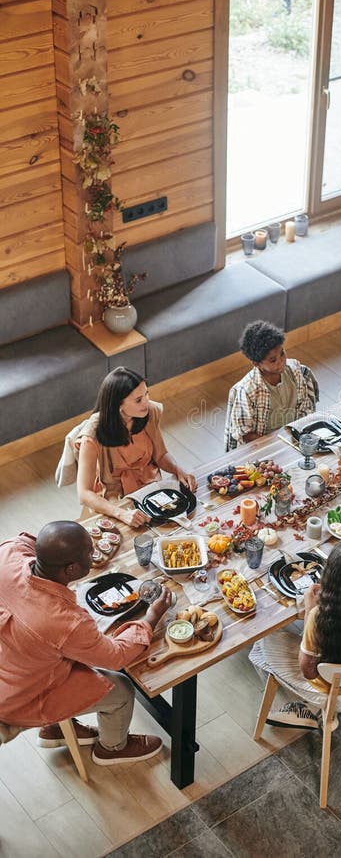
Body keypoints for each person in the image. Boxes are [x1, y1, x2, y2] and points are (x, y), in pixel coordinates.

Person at [0, 521, 172, 764]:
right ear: (70, 569)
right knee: (122, 688)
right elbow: (116, 656)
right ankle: (112, 748)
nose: (93, 556)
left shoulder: (8, 552)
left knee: (63, 653)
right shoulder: (66, 621)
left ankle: (55, 728)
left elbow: (31, 541)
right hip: (21, 696)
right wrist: (151, 618)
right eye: (89, 554)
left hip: (13, 660)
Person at [248, 537, 341, 728]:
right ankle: (309, 709)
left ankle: (304, 708)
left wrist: (310, 611)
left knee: (262, 641)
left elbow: (308, 672)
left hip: (335, 695)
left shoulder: (320, 616)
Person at [77, 367, 197, 529]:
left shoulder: (150, 412)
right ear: (118, 404)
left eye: (147, 394)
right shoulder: (92, 434)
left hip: (150, 486)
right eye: (138, 400)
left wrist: (178, 470)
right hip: (113, 499)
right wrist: (121, 513)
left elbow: (161, 456)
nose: (146, 402)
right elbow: (84, 493)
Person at [224, 320, 318, 450]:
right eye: (273, 360)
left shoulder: (295, 371)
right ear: (257, 364)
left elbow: (305, 408)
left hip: (292, 437)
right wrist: (273, 445)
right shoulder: (248, 391)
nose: (281, 361)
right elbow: (244, 433)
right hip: (265, 446)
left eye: (282, 353)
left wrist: (298, 436)